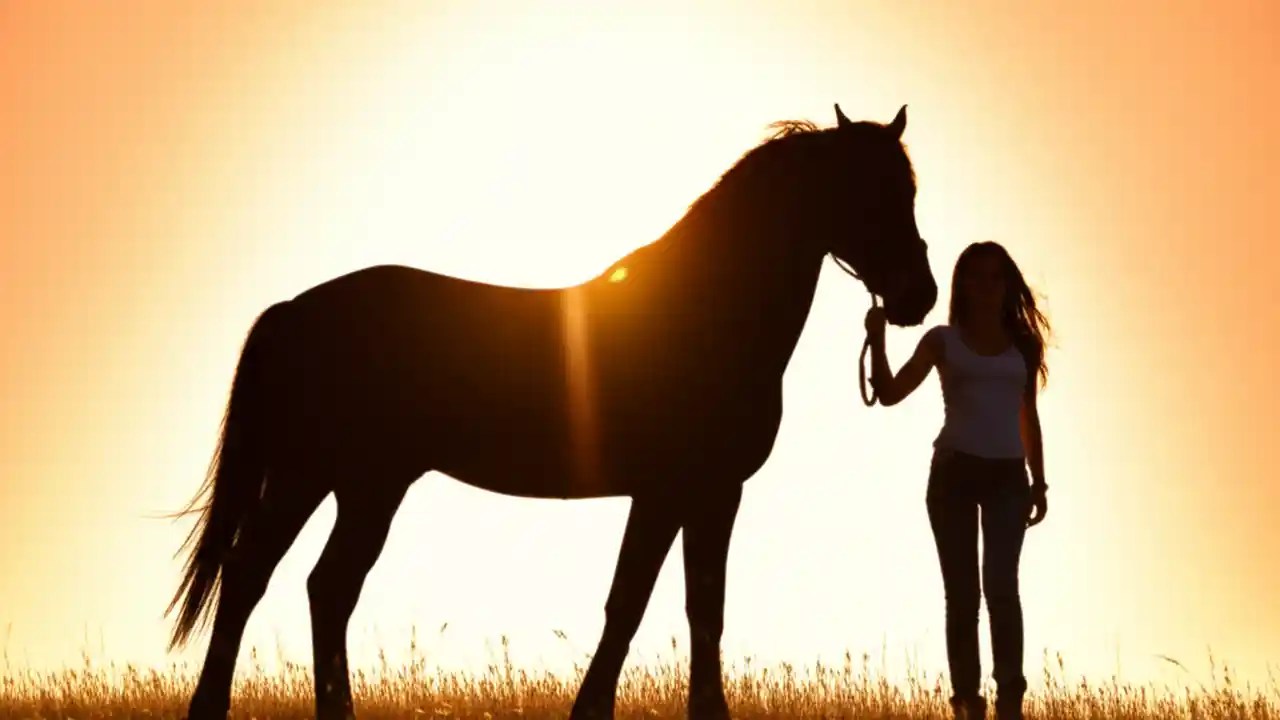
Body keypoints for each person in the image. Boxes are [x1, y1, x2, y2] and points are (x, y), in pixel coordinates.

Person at [863, 240, 1050, 720]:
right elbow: (888, 393)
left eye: (995, 277)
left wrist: (1040, 481)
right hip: (954, 474)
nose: (986, 286)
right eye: (976, 276)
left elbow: (1028, 416)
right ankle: (968, 702)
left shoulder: (1022, 346)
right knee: (963, 595)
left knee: (1002, 588)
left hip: (1010, 476)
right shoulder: (941, 340)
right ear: (962, 284)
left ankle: (1010, 698)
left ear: (1006, 285)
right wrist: (877, 340)